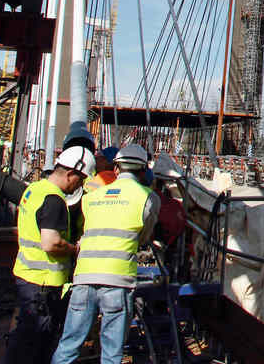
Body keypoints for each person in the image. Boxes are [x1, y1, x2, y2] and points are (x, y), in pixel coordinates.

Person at [51, 144, 160, 364]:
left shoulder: (91, 197)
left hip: (83, 277)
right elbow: (143, 237)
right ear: (142, 171)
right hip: (117, 281)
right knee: (111, 353)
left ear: (116, 168)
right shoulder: (147, 197)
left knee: (69, 345)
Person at [6, 145, 95, 364]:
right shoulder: (54, 200)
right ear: (70, 173)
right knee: (36, 342)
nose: (80, 185)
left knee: (24, 337)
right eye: (80, 179)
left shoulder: (34, 189)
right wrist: (75, 249)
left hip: (27, 277)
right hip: (42, 284)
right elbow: (50, 243)